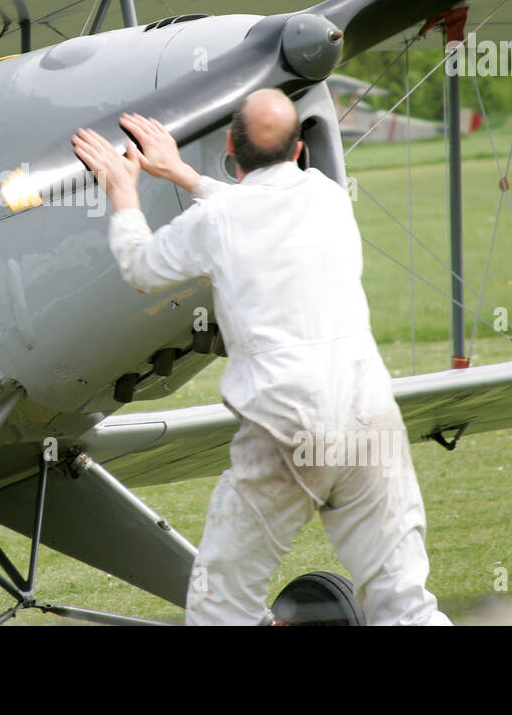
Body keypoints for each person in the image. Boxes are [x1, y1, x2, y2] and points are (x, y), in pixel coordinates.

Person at [71, 90, 450, 626]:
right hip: (371, 415)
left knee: (220, 604)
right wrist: (180, 174)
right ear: (299, 149)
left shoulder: (222, 218)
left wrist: (123, 192)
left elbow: (141, 267)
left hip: (286, 423)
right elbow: (250, 212)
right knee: (403, 601)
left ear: (230, 146)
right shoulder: (328, 194)